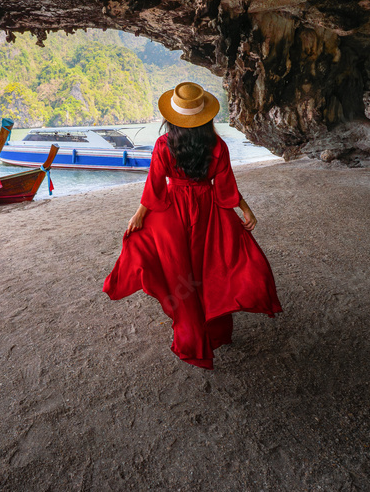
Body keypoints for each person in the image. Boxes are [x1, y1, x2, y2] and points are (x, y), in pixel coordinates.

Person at [103, 82, 282, 369]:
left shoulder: (164, 145)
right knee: (210, 270)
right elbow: (226, 188)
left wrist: (139, 215)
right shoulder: (217, 145)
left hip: (173, 212)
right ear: (205, 116)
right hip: (209, 209)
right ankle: (217, 332)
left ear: (171, 117)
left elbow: (155, 187)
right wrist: (246, 210)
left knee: (180, 274)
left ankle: (191, 337)